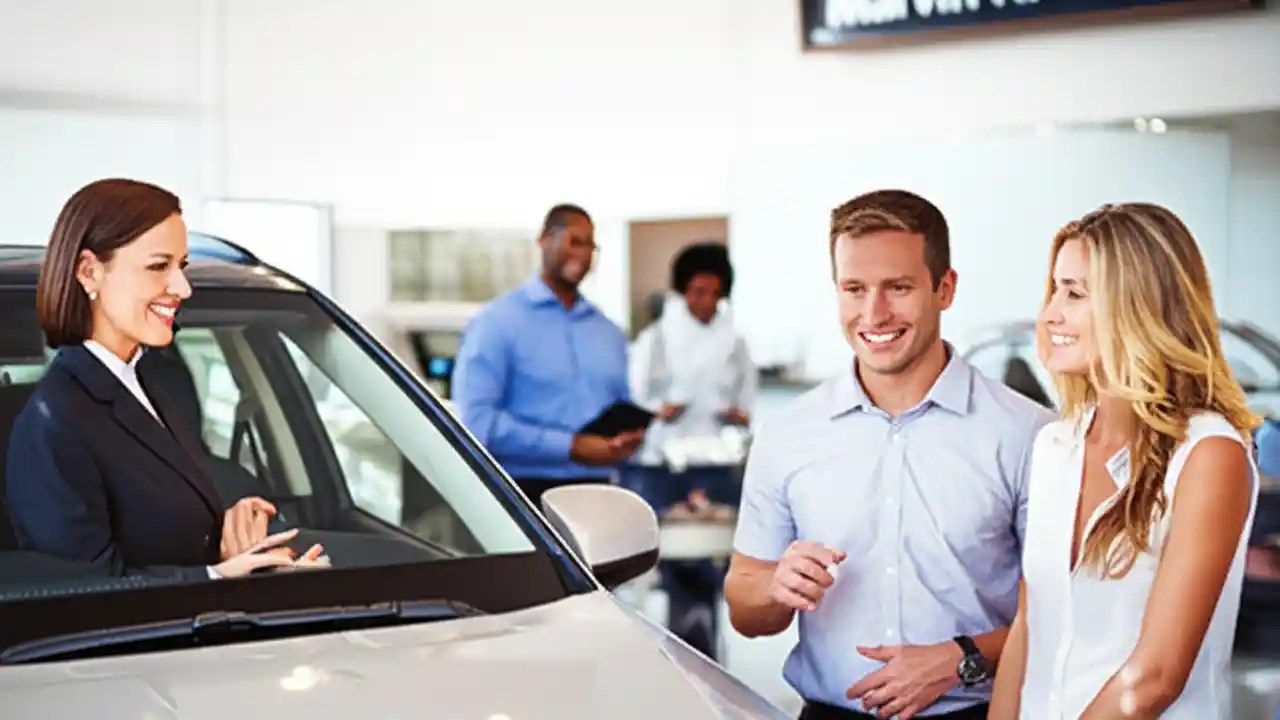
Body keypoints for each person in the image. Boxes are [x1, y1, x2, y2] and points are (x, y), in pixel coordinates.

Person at [724, 189, 1053, 720]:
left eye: (898, 288)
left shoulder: (1029, 435)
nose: (873, 313)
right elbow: (745, 605)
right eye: (854, 289)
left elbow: (1068, 617)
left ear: (944, 289)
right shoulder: (787, 434)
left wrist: (964, 658)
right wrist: (773, 587)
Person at [989, 203, 1261, 719]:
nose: (1050, 314)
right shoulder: (1054, 447)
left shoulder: (1208, 455)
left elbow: (1155, 678)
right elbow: (1029, 624)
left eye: (1075, 293)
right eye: (1055, 289)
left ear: (1136, 305)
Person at [5, 178, 324, 581]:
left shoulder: (148, 385)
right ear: (89, 272)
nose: (182, 287)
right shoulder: (54, 423)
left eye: (182, 266)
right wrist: (218, 576)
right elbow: (82, 593)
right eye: (159, 266)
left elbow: (160, 523)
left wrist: (231, 528)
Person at [453, 204, 643, 509]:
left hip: (601, 493)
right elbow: (478, 422)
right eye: (574, 241)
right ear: (544, 240)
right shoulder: (497, 323)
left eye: (591, 246)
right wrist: (570, 447)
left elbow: (621, 406)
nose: (582, 255)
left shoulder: (608, 332)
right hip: (521, 495)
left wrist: (626, 440)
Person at [622, 241, 757, 659]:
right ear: (683, 290)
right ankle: (677, 659)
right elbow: (635, 402)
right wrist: (659, 411)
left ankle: (708, 660)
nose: (705, 301)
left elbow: (747, 404)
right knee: (674, 568)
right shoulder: (656, 338)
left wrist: (736, 414)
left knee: (712, 566)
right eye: (697, 292)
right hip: (665, 468)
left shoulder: (735, 342)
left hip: (715, 466)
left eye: (714, 292)